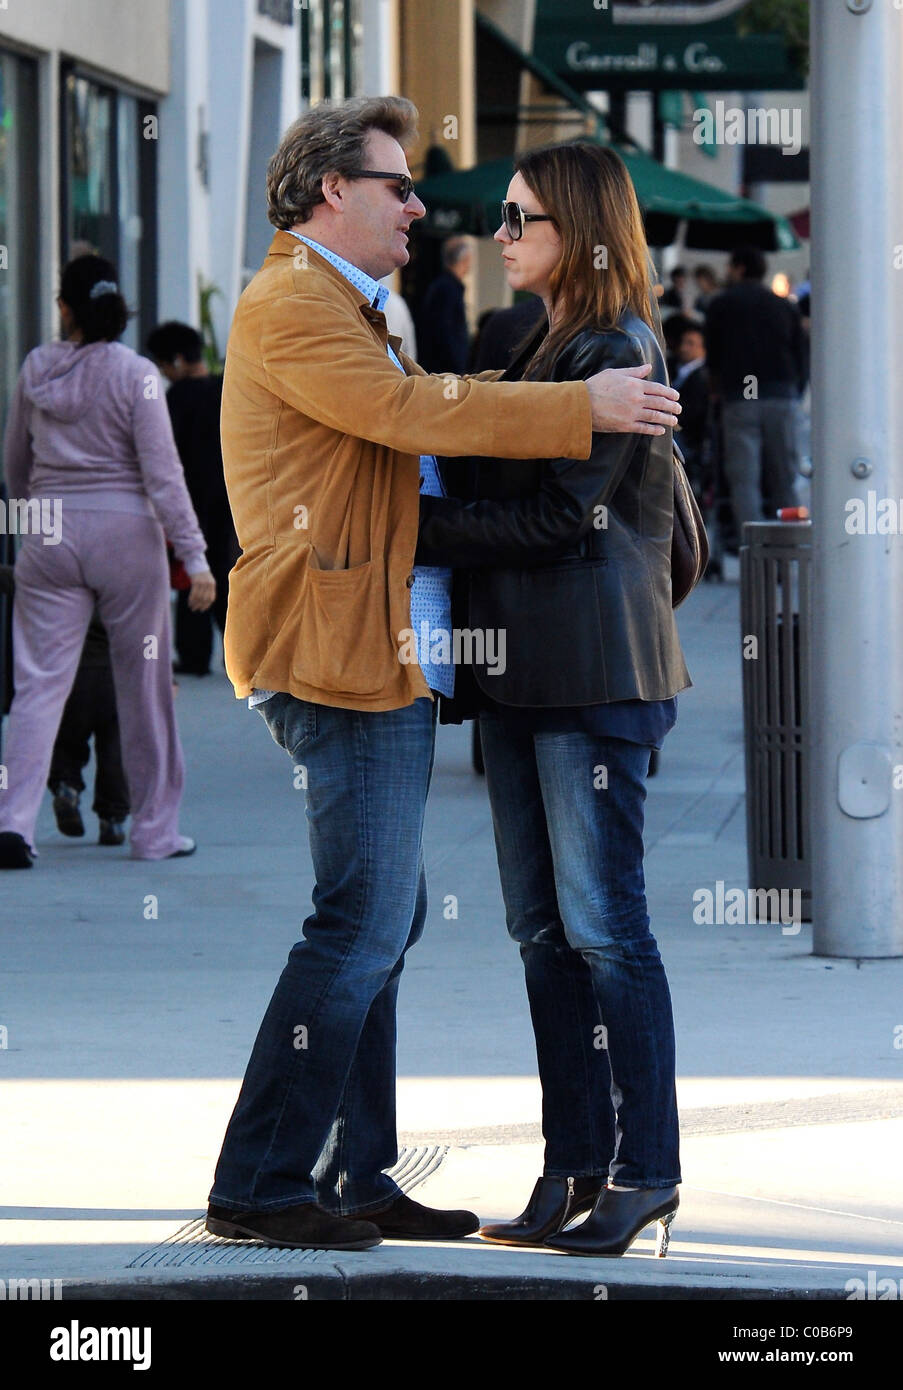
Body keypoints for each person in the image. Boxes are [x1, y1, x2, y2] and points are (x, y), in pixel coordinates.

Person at [205, 95, 682, 1252]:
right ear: (334, 193)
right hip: (341, 646)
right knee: (365, 919)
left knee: (401, 915)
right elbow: (404, 414)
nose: (427, 207)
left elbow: (465, 479)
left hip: (438, 655)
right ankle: (265, 1179)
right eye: (400, 185)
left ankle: (358, 1169)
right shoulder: (298, 307)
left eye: (515, 215)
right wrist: (575, 408)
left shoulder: (365, 305)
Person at [415, 140, 690, 1257]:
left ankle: (647, 1169)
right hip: (529, 676)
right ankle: (571, 1163)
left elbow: (557, 522)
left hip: (592, 678)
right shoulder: (553, 345)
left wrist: (412, 529)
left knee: (605, 929)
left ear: (577, 230)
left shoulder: (617, 348)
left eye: (521, 218)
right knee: (542, 933)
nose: (501, 234)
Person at [0, 255, 216, 869]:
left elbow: (16, 462)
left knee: (38, 685)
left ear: (64, 308)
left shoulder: (35, 367)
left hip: (48, 532)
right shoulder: (137, 374)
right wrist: (195, 557)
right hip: (126, 535)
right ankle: (154, 832)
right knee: (144, 686)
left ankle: (12, 825)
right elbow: (163, 475)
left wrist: (31, 519)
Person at [146, 321, 238, 676]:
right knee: (227, 576)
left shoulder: (175, 400)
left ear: (179, 360)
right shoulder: (225, 389)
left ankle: (195, 656)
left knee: (192, 579)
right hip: (230, 500)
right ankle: (242, 654)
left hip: (191, 502)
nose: (164, 372)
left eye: (164, 364)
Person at [704, 244, 806, 535]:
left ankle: (754, 544)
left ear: (739, 268)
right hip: (781, 395)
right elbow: (800, 353)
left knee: (744, 478)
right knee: (784, 475)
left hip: (740, 398)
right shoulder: (784, 305)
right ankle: (793, 542)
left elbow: (713, 356)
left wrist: (716, 389)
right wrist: (795, 390)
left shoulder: (721, 304)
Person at [414, 235, 473, 373]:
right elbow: (446, 334)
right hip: (445, 373)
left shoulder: (443, 287)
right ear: (464, 260)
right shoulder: (447, 289)